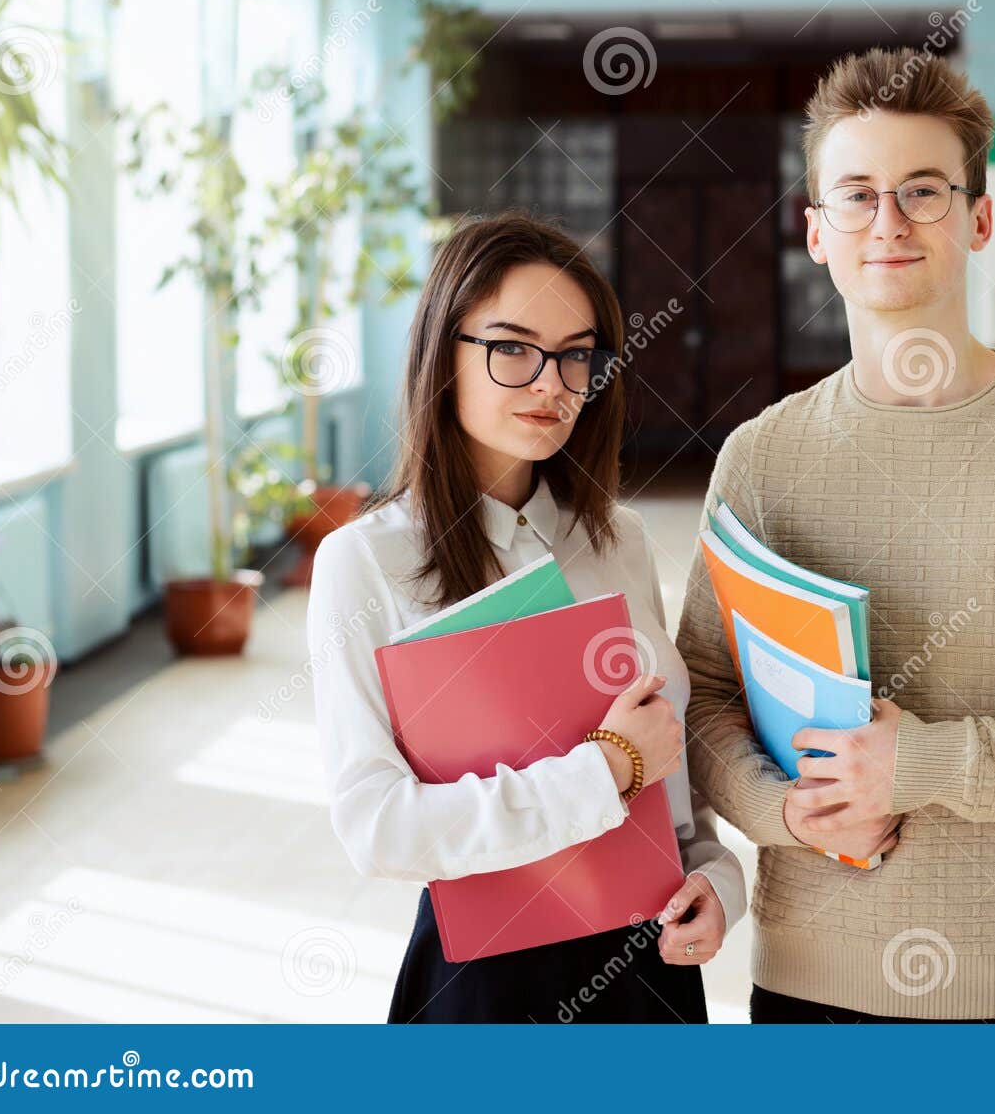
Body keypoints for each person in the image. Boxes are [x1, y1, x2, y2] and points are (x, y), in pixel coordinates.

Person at [676, 47, 995, 1024]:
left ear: (979, 218)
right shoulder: (760, 455)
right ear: (816, 232)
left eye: (923, 191)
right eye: (856, 195)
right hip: (802, 985)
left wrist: (926, 763)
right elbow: (701, 694)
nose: (888, 222)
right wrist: (781, 809)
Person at [307, 212, 744, 1023]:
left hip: (648, 971)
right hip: (484, 984)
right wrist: (602, 769)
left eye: (577, 355)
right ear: (445, 353)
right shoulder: (366, 561)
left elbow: (671, 779)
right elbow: (378, 827)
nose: (552, 383)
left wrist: (717, 880)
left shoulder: (620, 540)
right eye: (512, 347)